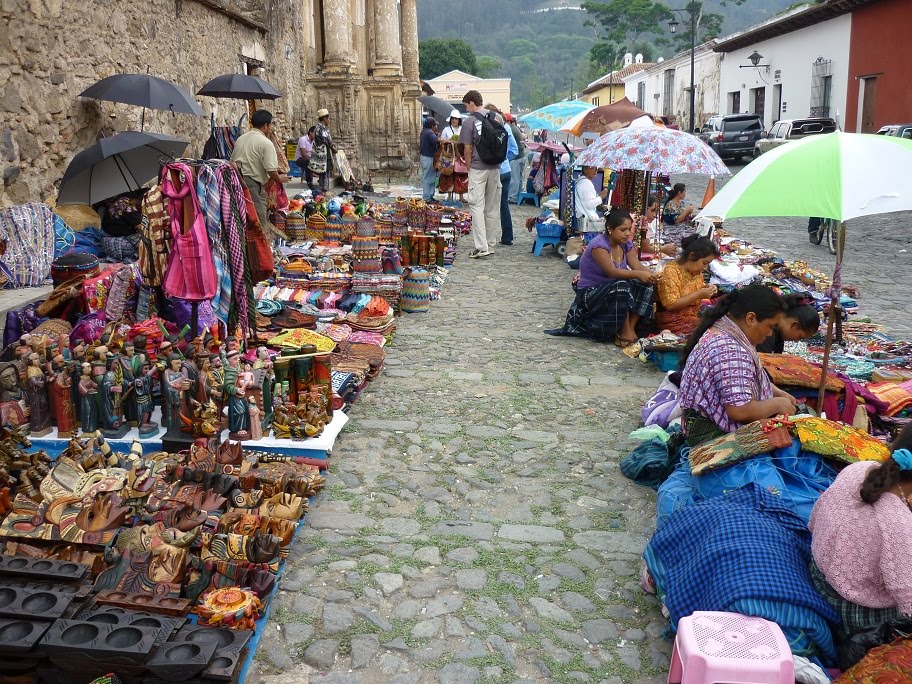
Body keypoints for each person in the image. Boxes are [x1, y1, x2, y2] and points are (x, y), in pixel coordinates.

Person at [808, 423, 912, 639]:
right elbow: (908, 604)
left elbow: (815, 521)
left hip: (818, 575)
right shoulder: (900, 526)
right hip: (854, 611)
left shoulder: (859, 470)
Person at [678, 284, 796, 446]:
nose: (770, 333)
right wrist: (777, 404)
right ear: (751, 319)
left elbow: (740, 381)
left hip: (697, 423)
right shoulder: (729, 348)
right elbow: (740, 410)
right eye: (769, 326)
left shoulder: (724, 329)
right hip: (708, 433)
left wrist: (776, 392)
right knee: (794, 440)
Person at [545, 209, 660, 346]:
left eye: (629, 229)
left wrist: (654, 275)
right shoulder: (599, 245)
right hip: (590, 294)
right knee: (622, 284)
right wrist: (639, 274)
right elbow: (612, 272)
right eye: (623, 230)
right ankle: (624, 331)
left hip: (613, 289)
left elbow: (637, 267)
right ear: (610, 229)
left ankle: (630, 327)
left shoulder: (625, 245)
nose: (628, 233)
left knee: (646, 284)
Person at [231, 109, 289, 239]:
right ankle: (261, 252)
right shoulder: (265, 143)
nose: (270, 128)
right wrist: (279, 178)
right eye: (270, 125)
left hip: (235, 181)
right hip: (251, 184)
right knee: (258, 219)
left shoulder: (240, 139)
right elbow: (271, 169)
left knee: (242, 218)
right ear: (265, 126)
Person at [459, 90, 503, 259]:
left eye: (466, 105)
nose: (467, 109)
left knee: (477, 206)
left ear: (471, 103)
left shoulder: (470, 121)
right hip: (496, 167)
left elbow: (468, 149)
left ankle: (481, 246)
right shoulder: (497, 117)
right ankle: (491, 244)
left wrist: (469, 168)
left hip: (478, 167)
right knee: (492, 207)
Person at [656, 235, 719, 335]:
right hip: (674, 320)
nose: (705, 268)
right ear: (691, 256)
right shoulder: (671, 271)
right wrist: (698, 294)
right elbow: (671, 304)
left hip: (692, 315)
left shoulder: (696, 272)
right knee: (714, 332)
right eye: (704, 263)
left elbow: (698, 288)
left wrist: (709, 289)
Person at [486, 104, 518, 246]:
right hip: (506, 170)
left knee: (491, 205)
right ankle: (507, 237)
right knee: (504, 205)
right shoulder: (507, 127)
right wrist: (505, 159)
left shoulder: (491, 128)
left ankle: (488, 238)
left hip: (495, 170)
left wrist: (499, 160)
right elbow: (514, 150)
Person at [96, 190, 144, 263]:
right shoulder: (126, 203)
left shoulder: (123, 199)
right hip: (115, 244)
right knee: (146, 245)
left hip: (109, 242)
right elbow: (141, 227)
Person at [574, 165, 609, 232]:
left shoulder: (580, 181)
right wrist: (601, 197)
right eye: (592, 168)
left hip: (582, 219)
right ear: (585, 170)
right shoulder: (586, 183)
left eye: (596, 168)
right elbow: (589, 204)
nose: (595, 171)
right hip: (588, 222)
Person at [312, 108, 337, 193]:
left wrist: (332, 145)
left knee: (325, 172)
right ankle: (324, 190)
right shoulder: (320, 128)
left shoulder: (323, 128)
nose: (329, 120)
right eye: (328, 118)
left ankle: (324, 189)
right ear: (324, 118)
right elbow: (325, 140)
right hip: (323, 152)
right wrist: (332, 147)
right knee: (324, 172)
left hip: (325, 152)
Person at [506, 114, 526, 203]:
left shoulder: (511, 129)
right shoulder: (516, 128)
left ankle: (513, 197)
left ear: (509, 122)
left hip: (516, 157)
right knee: (520, 178)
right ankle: (519, 195)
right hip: (522, 156)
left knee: (514, 179)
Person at [419, 117, 440, 202]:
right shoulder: (430, 132)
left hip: (425, 157)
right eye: (434, 125)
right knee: (428, 177)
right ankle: (427, 197)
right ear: (432, 125)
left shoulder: (424, 132)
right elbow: (436, 140)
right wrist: (445, 140)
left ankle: (430, 195)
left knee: (430, 177)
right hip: (428, 158)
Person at [295, 126, 316, 191]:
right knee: (308, 160)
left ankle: (321, 179)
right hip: (300, 159)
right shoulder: (303, 139)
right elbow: (304, 154)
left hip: (309, 158)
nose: (316, 135)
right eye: (315, 133)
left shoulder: (314, 141)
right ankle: (309, 181)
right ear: (310, 132)